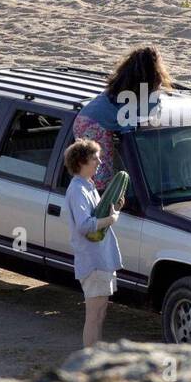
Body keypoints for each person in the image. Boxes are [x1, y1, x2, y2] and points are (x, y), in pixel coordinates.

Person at [73, 46, 173, 190]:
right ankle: (100, 199)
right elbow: (128, 128)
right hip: (94, 125)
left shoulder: (126, 83)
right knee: (101, 171)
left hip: (85, 119)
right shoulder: (134, 95)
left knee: (98, 168)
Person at [63, 139, 123, 346]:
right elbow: (84, 225)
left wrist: (115, 210)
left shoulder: (88, 186)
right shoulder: (78, 190)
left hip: (100, 259)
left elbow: (97, 218)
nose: (99, 162)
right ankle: (89, 359)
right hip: (93, 262)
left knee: (100, 314)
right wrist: (111, 220)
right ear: (81, 161)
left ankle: (94, 356)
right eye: (94, 158)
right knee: (94, 316)